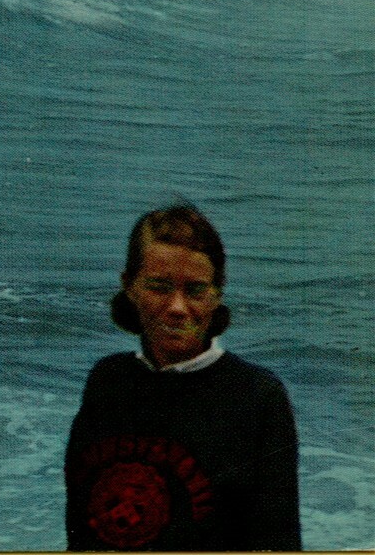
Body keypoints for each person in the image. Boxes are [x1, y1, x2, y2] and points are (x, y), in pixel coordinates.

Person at [64, 202, 299, 551]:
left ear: (218, 294)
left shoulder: (257, 396)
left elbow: (278, 543)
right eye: (159, 287)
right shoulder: (107, 380)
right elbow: (81, 528)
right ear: (129, 286)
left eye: (195, 290)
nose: (177, 308)